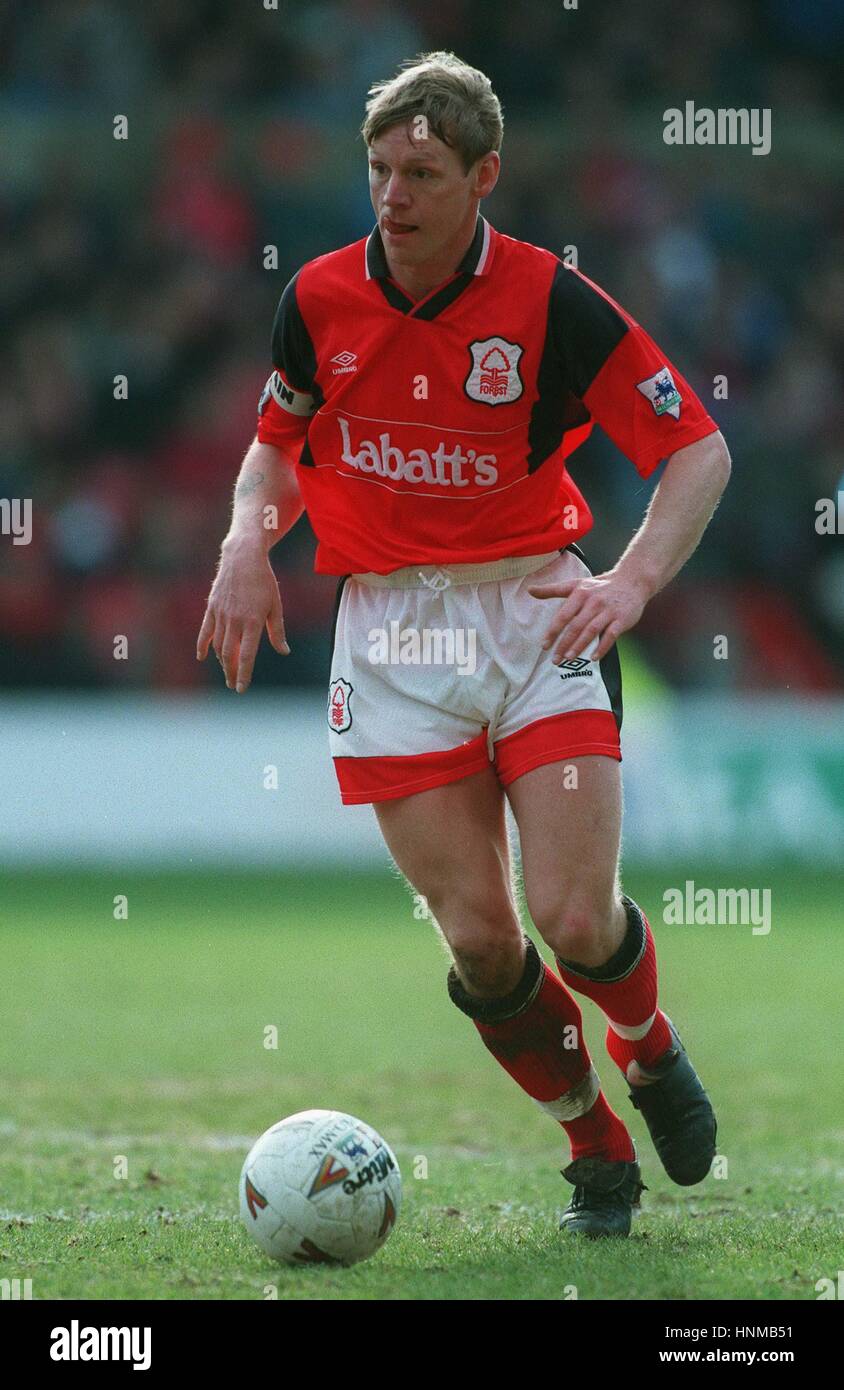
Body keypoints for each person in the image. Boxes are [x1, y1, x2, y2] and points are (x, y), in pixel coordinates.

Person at [197, 51, 730, 1238]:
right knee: (487, 946)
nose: (393, 193)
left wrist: (633, 580)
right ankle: (594, 1147)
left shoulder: (553, 302)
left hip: (536, 616)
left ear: (483, 176)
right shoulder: (321, 299)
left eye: (423, 172)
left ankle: (647, 1046)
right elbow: (276, 447)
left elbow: (698, 448)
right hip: (392, 639)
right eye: (380, 168)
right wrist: (246, 538)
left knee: (577, 921)